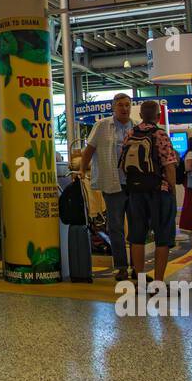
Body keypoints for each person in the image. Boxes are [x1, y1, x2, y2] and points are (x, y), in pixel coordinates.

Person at [119, 99, 179, 284]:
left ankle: (139, 280)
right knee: (163, 237)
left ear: (140, 115)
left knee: (137, 235)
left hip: (136, 191)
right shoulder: (160, 134)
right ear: (158, 116)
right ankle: (159, 281)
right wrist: (172, 190)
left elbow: (122, 165)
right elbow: (169, 166)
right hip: (158, 191)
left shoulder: (130, 134)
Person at [80, 93, 135, 281]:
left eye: (127, 105)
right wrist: (81, 170)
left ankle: (137, 265)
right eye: (120, 105)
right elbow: (89, 150)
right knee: (116, 227)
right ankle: (121, 267)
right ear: (113, 107)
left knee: (136, 226)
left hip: (134, 184)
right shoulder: (102, 126)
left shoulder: (135, 126)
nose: (124, 108)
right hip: (113, 184)